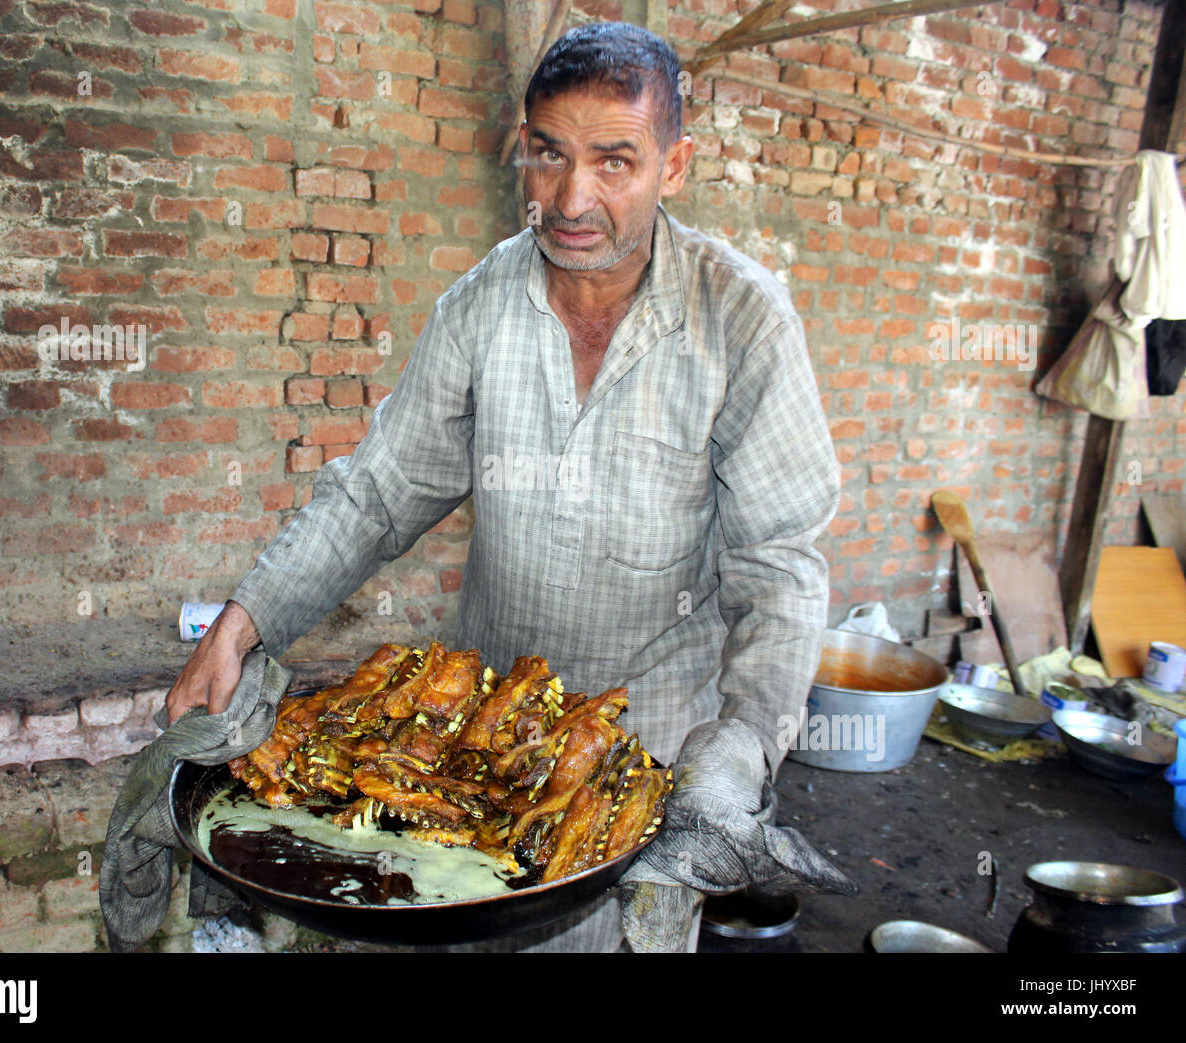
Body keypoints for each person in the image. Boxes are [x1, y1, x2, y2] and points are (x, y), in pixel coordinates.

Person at [164, 21, 844, 951]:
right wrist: (243, 623)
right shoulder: (482, 305)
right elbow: (378, 491)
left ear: (674, 166)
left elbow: (781, 568)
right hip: (469, 749)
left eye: (615, 161)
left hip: (635, 780)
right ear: (523, 152)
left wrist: (745, 744)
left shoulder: (740, 319)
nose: (574, 197)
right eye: (549, 155)